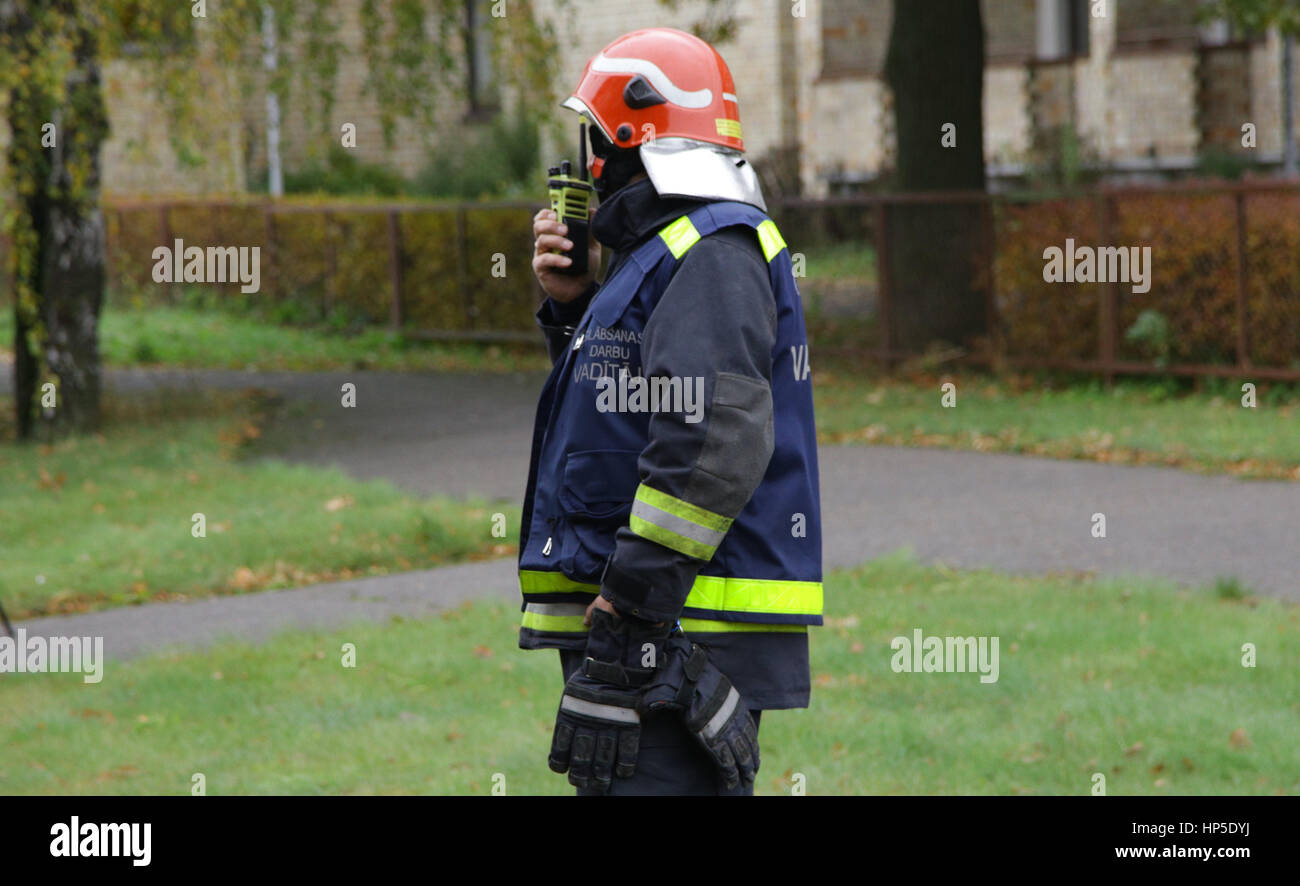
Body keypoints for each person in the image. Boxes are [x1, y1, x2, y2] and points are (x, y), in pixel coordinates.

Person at [521, 26, 822, 796]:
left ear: (630, 136)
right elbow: (622, 418)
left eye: (594, 137)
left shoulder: (711, 250)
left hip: (675, 632)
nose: (586, 161)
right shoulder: (661, 257)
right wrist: (573, 308)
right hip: (653, 623)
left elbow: (710, 440)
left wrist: (629, 606)